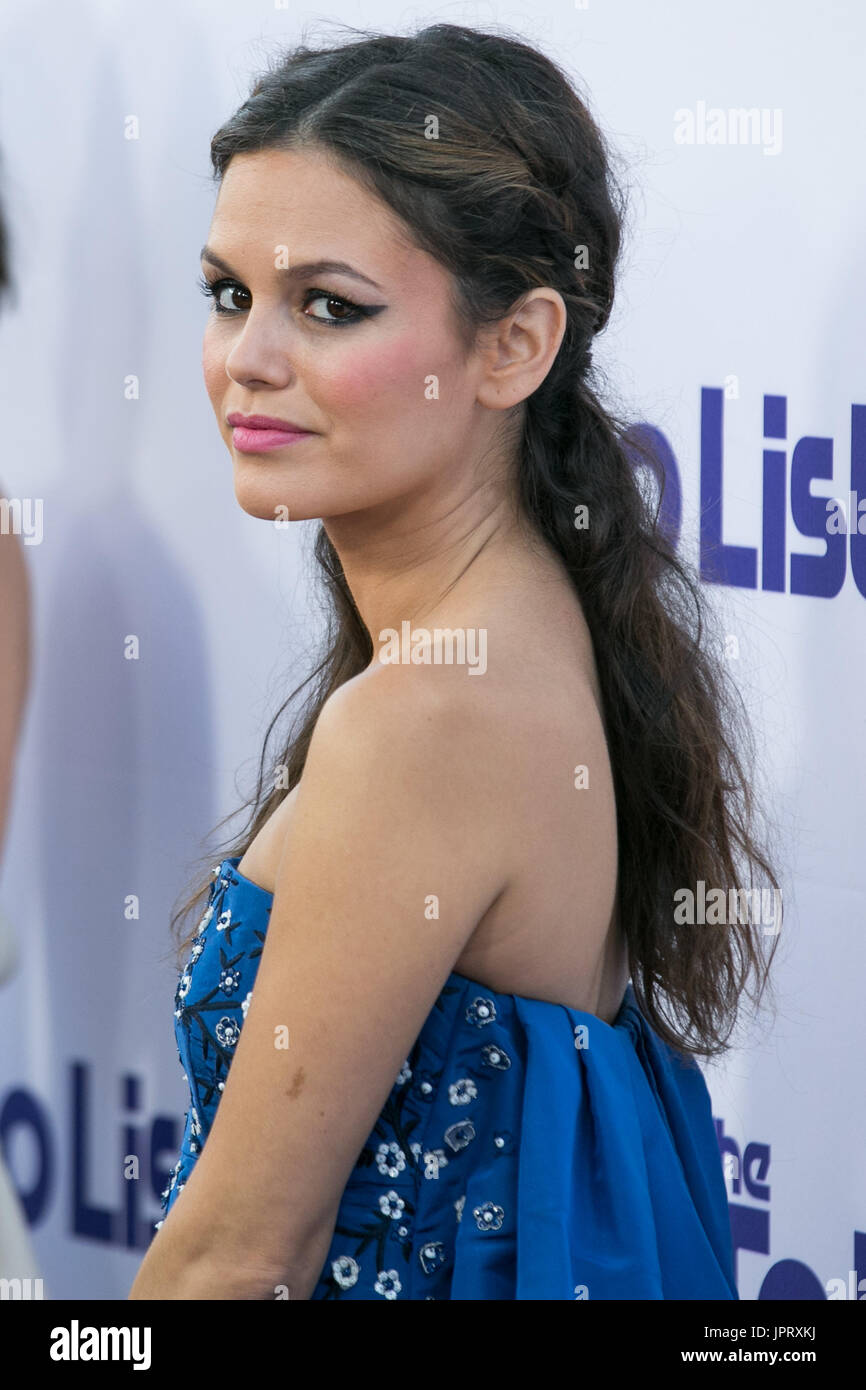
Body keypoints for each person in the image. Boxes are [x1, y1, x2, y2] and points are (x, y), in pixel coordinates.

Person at [129, 22, 780, 1301]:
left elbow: (236, 1256)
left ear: (513, 347)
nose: (247, 358)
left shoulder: (423, 717)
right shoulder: (534, 618)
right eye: (227, 293)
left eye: (328, 306)